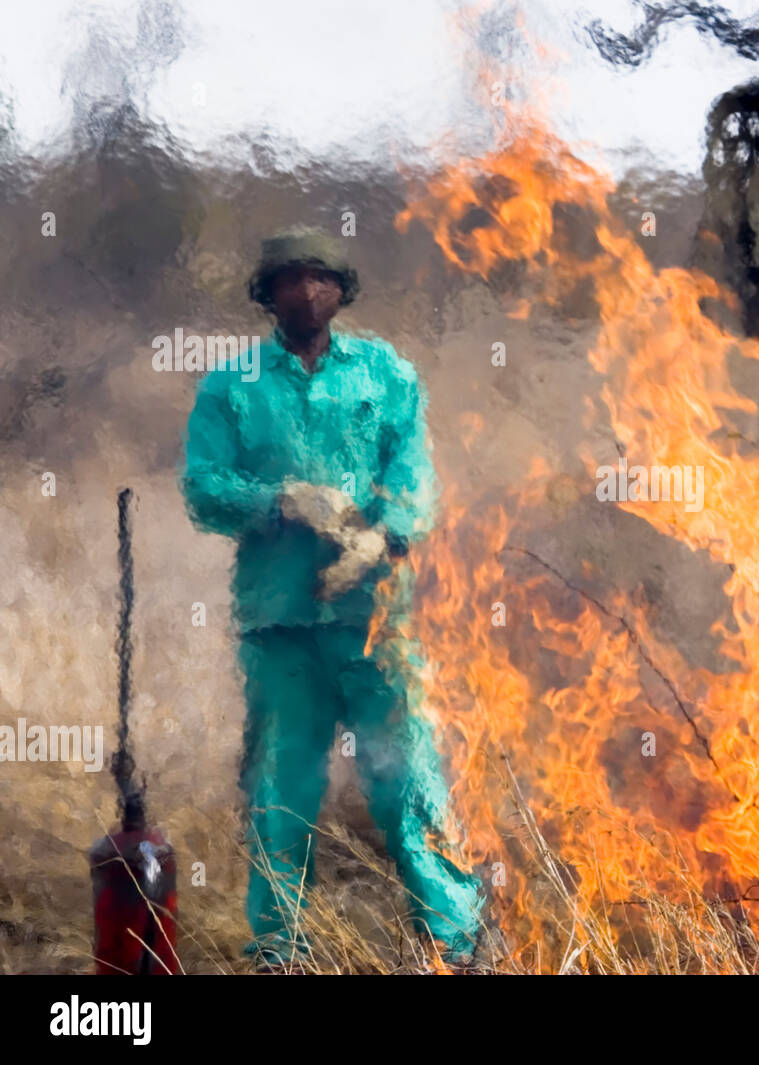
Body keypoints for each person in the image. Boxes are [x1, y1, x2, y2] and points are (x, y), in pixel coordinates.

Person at [181, 227, 483, 967]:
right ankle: (280, 947)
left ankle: (457, 938)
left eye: (321, 277)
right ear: (267, 295)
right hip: (280, 624)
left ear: (342, 291)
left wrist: (381, 540)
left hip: (376, 619)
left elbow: (415, 482)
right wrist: (280, 499)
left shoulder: (386, 375)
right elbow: (203, 488)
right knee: (281, 790)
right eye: (289, 278)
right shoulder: (231, 386)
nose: (307, 290)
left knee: (406, 781)